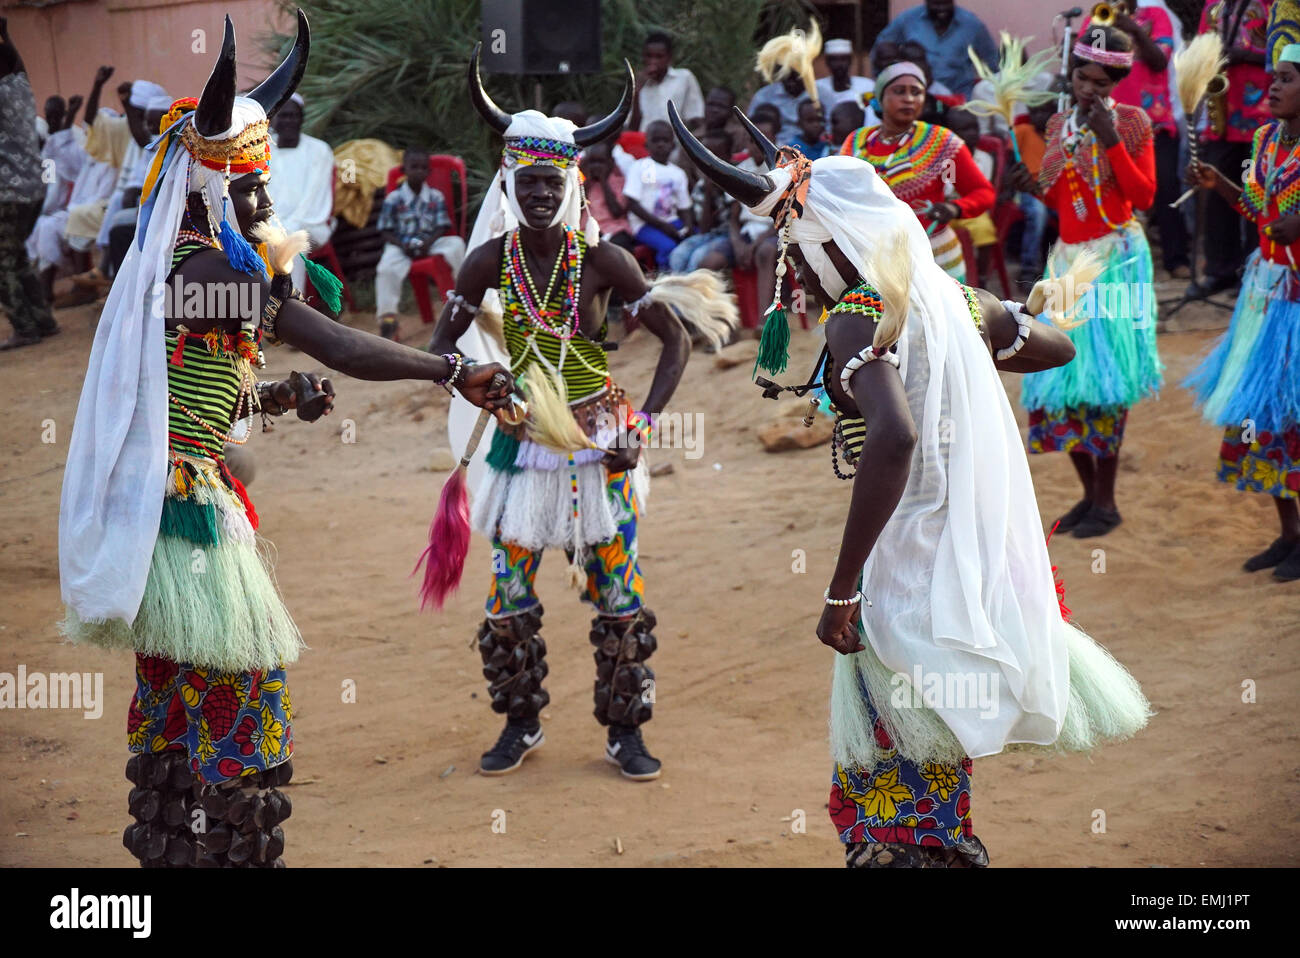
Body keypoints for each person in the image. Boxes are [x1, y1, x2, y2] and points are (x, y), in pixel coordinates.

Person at [57, 12, 516, 868]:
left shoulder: (181, 269)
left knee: (173, 693)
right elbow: (338, 340)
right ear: (208, 189)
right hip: (188, 517)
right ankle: (231, 846)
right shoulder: (220, 272)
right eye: (253, 188)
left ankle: (174, 845)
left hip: (160, 509)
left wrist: (271, 396)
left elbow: (186, 394)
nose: (268, 204)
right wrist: (447, 372)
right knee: (241, 692)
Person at [669, 105, 1149, 869]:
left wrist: (840, 587)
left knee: (894, 789)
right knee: (933, 773)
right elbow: (1054, 348)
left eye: (795, 249)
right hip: (964, 562)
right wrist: (989, 336)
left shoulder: (859, 318)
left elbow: (893, 439)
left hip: (905, 570)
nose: (794, 269)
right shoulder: (958, 300)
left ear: (831, 242)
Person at [429, 50, 736, 781]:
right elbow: (442, 345)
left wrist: (642, 428)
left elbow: (674, 341)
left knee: (619, 594)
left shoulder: (604, 262)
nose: (539, 194)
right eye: (527, 182)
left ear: (570, 184)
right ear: (510, 184)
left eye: (551, 182)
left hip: (601, 441)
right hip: (524, 443)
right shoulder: (486, 262)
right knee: (508, 595)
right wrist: (478, 380)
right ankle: (521, 722)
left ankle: (624, 733)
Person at [1007, 25, 1162, 539]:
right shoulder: (1058, 126)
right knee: (1061, 377)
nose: (1088, 87)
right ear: (1071, 73)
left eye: (1100, 80)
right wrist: (1033, 189)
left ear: (1116, 81)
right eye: (1081, 76)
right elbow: (1066, 202)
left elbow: (1142, 198)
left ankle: (1106, 501)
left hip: (1115, 261)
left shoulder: (1135, 123)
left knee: (1104, 382)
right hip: (1070, 259)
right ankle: (1088, 496)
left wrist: (1113, 140)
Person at [1183, 44, 1300, 580]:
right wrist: (1220, 184)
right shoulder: (1264, 141)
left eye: (1286, 79)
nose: (1272, 87)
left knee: (1293, 417)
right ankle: (1289, 534)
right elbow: (1258, 209)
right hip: (1265, 297)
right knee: (1264, 417)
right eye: (1273, 78)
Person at [841, 60, 995, 282]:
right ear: (880, 97)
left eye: (916, 92)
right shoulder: (856, 142)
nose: (909, 99)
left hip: (935, 258)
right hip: (872, 258)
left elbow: (983, 192)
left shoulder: (942, 141)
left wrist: (955, 208)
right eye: (899, 91)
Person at [1082, 0, 1188, 278]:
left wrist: (1136, 31)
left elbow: (1161, 60)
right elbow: (1081, 63)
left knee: (1166, 189)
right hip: (1106, 119)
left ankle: (1176, 259)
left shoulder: (1157, 15)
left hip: (1153, 121)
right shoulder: (1095, 16)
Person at [1191, 0, 1274, 298]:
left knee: (1256, 198)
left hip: (1263, 121)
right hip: (1222, 121)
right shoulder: (1215, 5)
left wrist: (1244, 56)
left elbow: (1288, 53)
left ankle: (1254, 272)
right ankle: (1220, 270)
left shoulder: (1275, 4)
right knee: (1217, 199)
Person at [0, 17, 59, 349]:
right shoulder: (19, 88)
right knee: (17, 255)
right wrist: (7, 35)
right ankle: (43, 320)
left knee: (3, 263)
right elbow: (17, 64)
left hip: (6, 192)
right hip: (33, 189)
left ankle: (24, 327)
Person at [374, 146, 466, 339]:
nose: (418, 171)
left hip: (431, 242)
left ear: (429, 172)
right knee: (386, 269)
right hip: (401, 245)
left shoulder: (435, 196)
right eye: (413, 167)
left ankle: (465, 295)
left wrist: (428, 243)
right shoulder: (394, 198)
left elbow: (442, 226)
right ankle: (388, 321)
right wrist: (402, 246)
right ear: (404, 170)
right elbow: (385, 230)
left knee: (456, 244)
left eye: (423, 168)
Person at [268, 92, 335, 290]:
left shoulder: (319, 150)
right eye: (283, 115)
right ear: (273, 120)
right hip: (271, 226)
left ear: (302, 119)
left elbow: (314, 199)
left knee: (291, 243)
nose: (288, 121)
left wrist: (284, 228)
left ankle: (293, 306)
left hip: (310, 225)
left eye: (293, 115)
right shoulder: (264, 151)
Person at [872, 0, 998, 99]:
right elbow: (880, 49)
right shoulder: (907, 20)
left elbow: (992, 61)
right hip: (919, 99)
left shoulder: (972, 25)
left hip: (960, 99)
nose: (941, 9)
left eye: (945, 3)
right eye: (936, 4)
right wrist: (883, 81)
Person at [623, 119, 693, 269]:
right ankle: (666, 281)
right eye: (655, 140)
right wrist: (662, 226)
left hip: (671, 221)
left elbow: (684, 206)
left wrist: (687, 227)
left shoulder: (678, 173)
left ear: (673, 145)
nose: (660, 144)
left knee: (693, 241)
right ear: (647, 145)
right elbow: (632, 203)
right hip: (643, 225)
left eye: (665, 140)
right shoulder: (639, 167)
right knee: (668, 247)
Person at [669, 129, 737, 272]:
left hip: (732, 237)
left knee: (698, 257)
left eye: (716, 155)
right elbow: (704, 228)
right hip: (711, 234)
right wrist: (708, 192)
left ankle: (691, 292)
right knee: (677, 254)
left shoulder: (738, 181)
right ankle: (678, 291)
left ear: (729, 156)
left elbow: (735, 224)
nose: (710, 161)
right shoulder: (701, 186)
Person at [748, 22, 822, 145]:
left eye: (795, 76)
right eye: (786, 76)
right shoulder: (763, 97)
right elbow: (752, 131)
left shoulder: (822, 94)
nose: (791, 82)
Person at [630, 31, 704, 133]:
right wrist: (637, 91)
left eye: (659, 57)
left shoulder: (684, 77)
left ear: (669, 57)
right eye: (649, 56)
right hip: (643, 144)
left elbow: (695, 117)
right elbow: (632, 128)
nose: (653, 61)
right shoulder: (638, 83)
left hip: (674, 145)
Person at [579, 140, 635, 253]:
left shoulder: (618, 180)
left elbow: (617, 212)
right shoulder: (581, 182)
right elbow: (576, 209)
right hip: (585, 230)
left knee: (617, 248)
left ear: (611, 162)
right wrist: (588, 182)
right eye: (592, 162)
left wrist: (604, 182)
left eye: (600, 162)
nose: (596, 166)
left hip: (614, 229)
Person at [816, 38, 873, 114]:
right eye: (834, 60)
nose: (839, 64)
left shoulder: (866, 86)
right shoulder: (818, 88)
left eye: (843, 59)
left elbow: (871, 117)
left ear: (850, 61)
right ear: (827, 62)